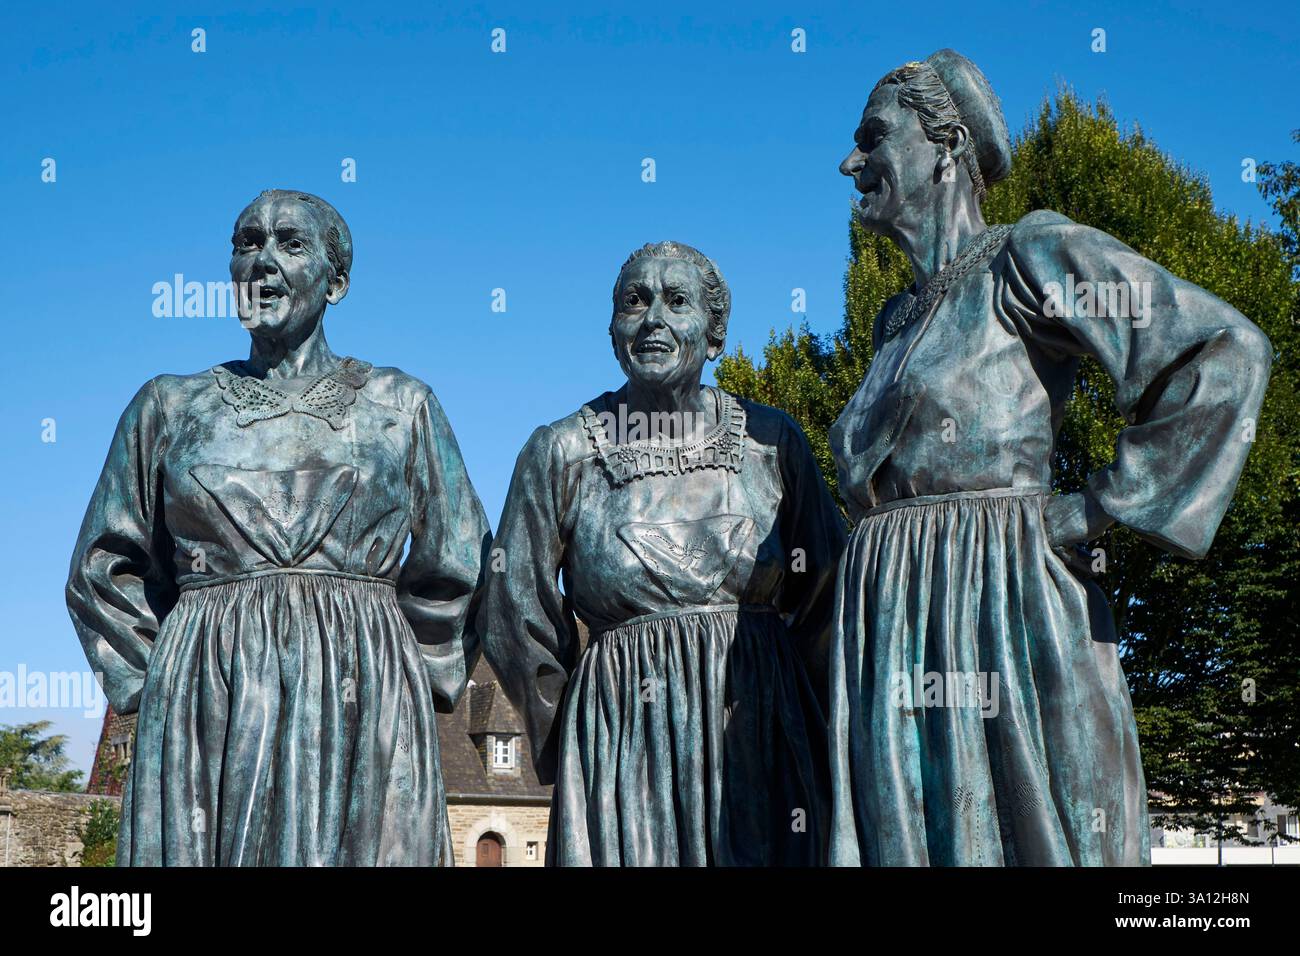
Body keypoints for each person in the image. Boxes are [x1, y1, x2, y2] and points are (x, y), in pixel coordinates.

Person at [827, 51, 1272, 865]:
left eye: (873, 136)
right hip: (891, 626)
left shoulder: (1025, 256)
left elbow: (1223, 350)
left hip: (1000, 601)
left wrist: (1102, 504)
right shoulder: (893, 322)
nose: (852, 162)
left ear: (946, 143)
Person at [66, 190, 491, 865]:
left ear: (337, 280)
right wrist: (168, 681)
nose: (262, 260)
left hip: (366, 699)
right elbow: (102, 565)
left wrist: (406, 675)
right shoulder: (168, 406)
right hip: (209, 702)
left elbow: (460, 557)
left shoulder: (400, 404)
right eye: (246, 243)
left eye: (290, 243)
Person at [479, 241, 846, 865]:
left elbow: (827, 594)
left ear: (715, 331)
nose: (653, 318)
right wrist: (579, 730)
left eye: (677, 302)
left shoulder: (772, 443)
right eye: (634, 301)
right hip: (624, 737)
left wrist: (814, 723)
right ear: (613, 328)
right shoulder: (561, 451)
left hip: (757, 729)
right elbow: (514, 610)